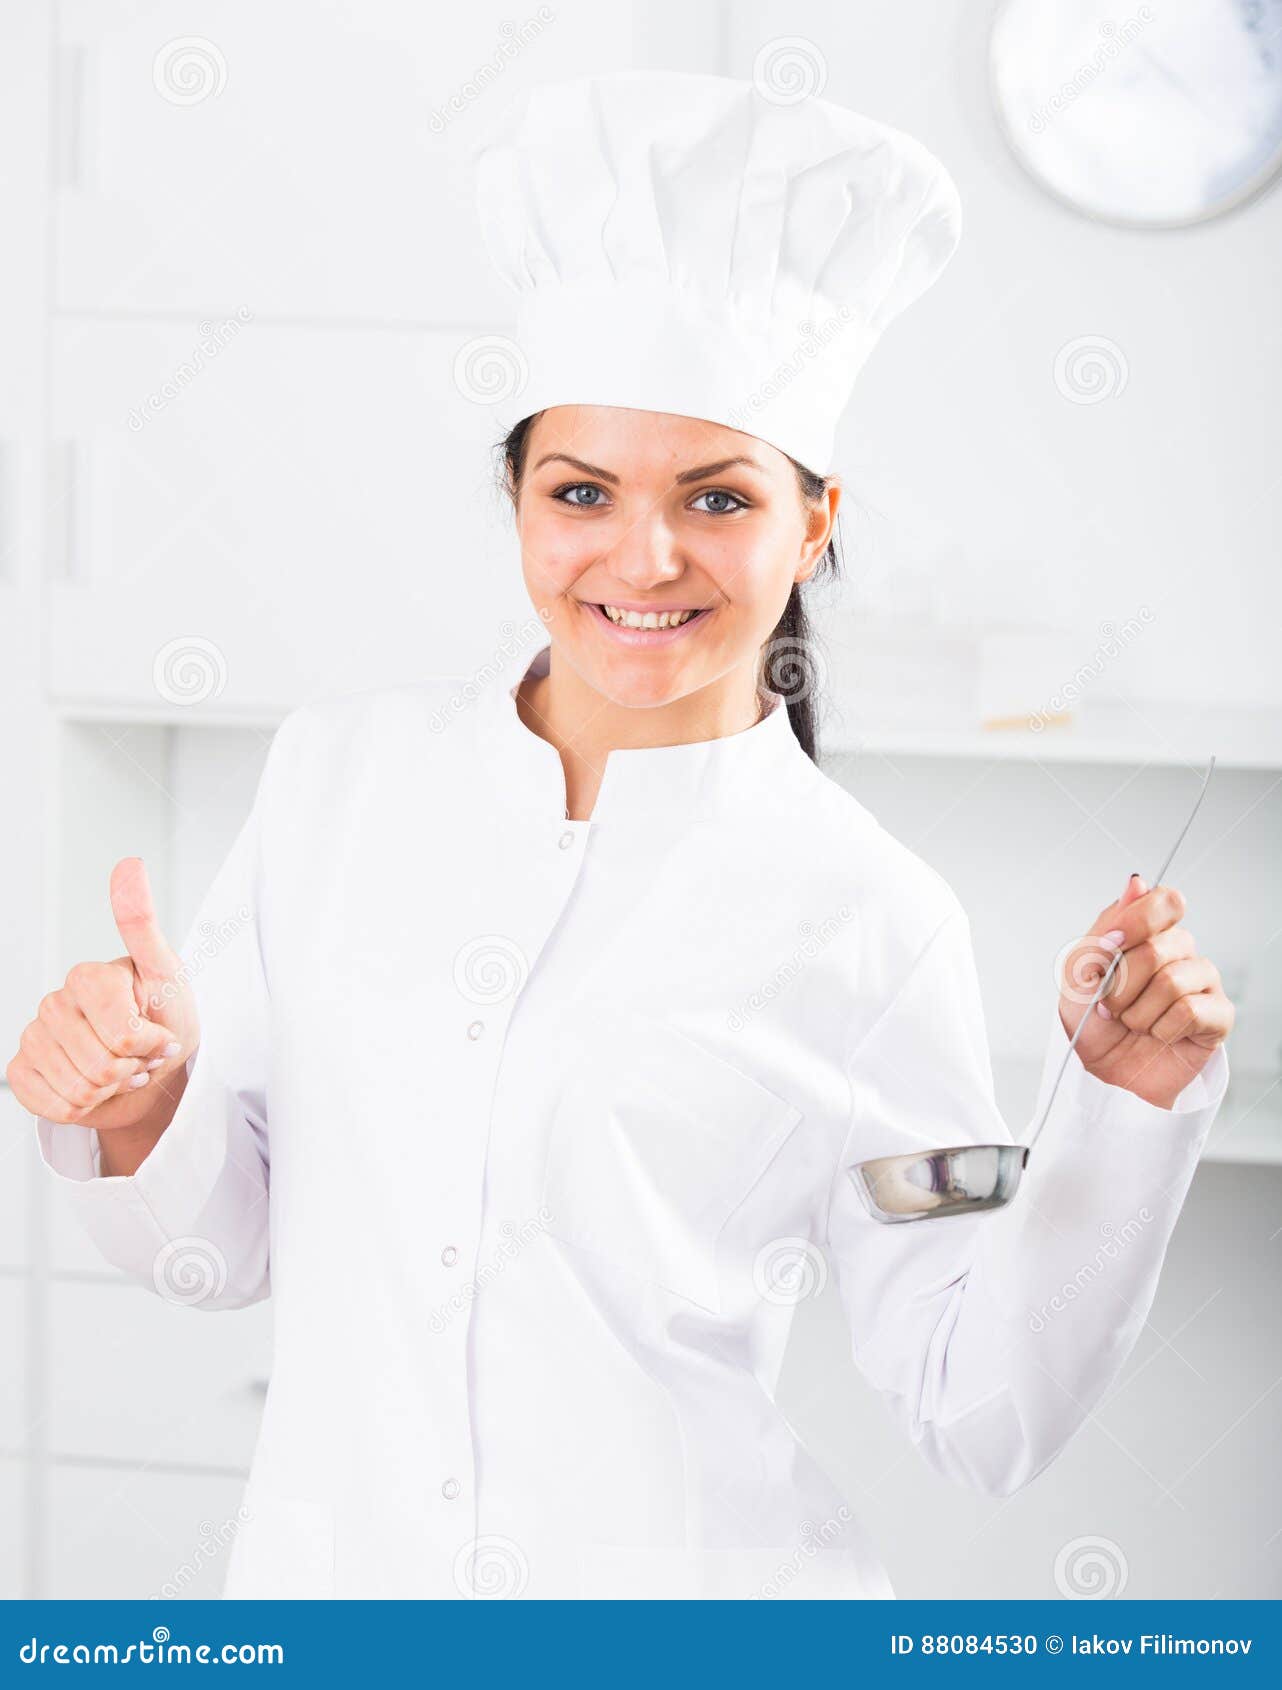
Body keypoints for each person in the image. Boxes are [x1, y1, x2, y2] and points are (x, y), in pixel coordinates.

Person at [7, 70, 1232, 1601]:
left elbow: (968, 1403)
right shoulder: (337, 780)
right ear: (517, 498)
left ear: (815, 518)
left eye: (717, 499)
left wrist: (1120, 1124)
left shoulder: (866, 914)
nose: (641, 557)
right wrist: (137, 1104)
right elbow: (221, 1248)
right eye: (580, 489)